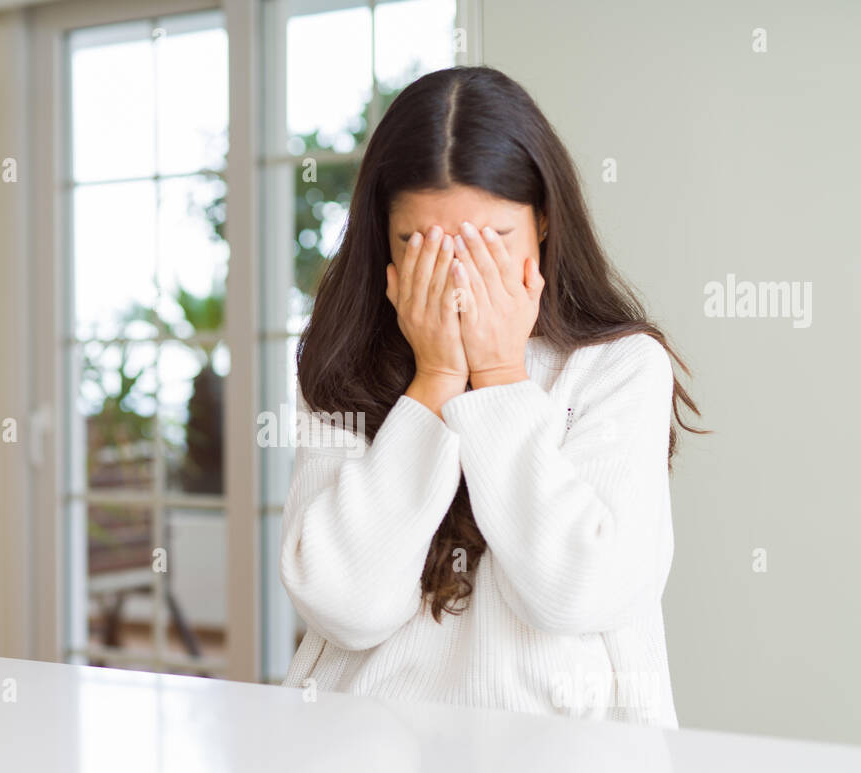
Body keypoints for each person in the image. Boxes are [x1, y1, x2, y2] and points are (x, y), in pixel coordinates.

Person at [280, 66, 707, 728]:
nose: (456, 277)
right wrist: (434, 384)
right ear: (381, 239)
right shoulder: (344, 364)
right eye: (421, 245)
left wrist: (499, 372)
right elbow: (345, 604)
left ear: (542, 221)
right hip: (362, 761)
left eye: (489, 244)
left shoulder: (620, 367)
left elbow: (578, 591)